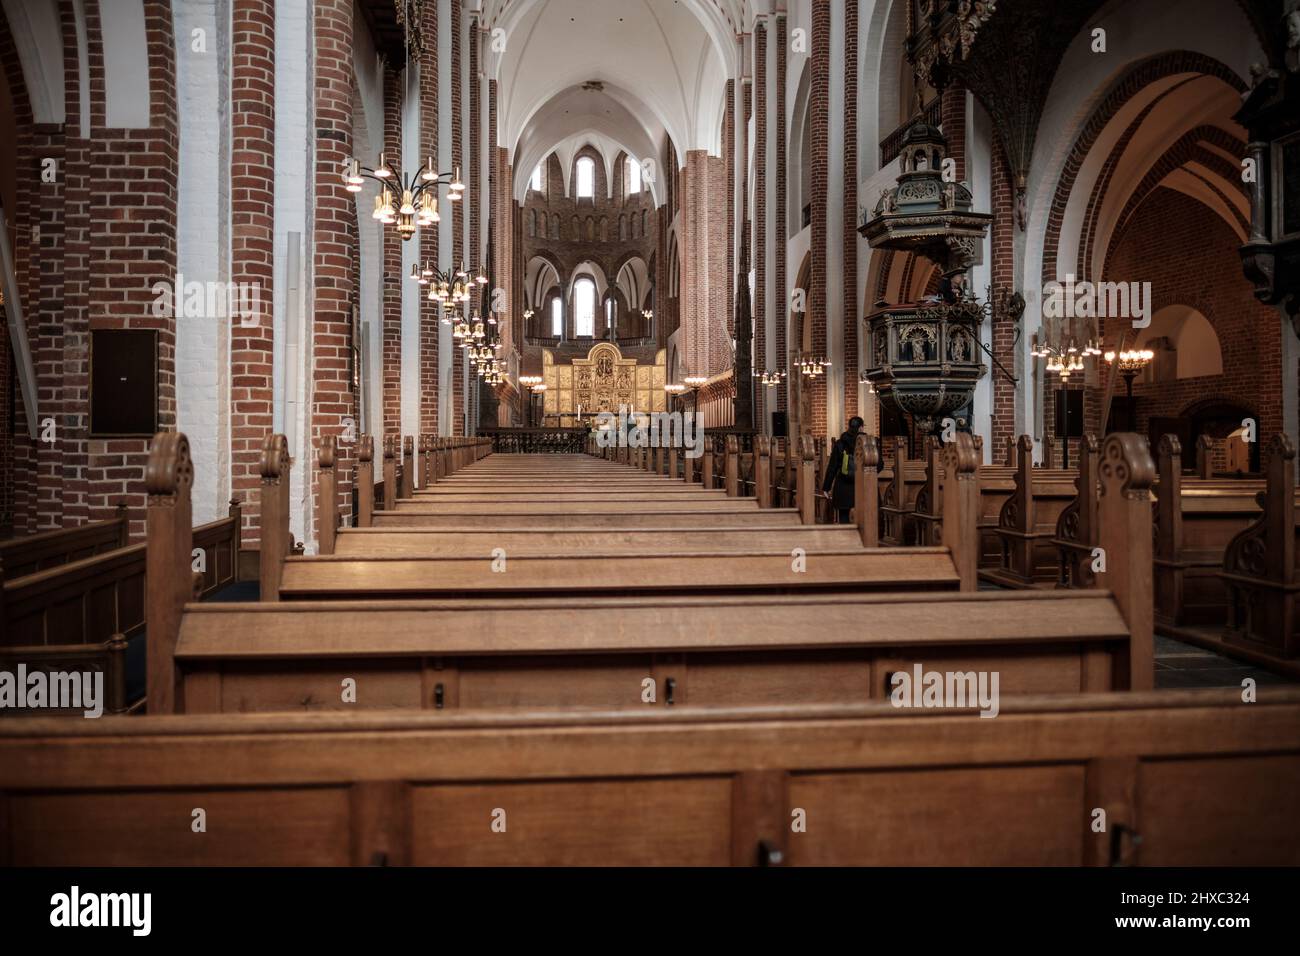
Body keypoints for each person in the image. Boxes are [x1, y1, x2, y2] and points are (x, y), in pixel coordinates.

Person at [822, 416, 866, 524]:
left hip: (844, 489)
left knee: (845, 521)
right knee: (865, 521)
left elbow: (833, 467)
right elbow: (879, 465)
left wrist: (826, 487)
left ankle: (846, 540)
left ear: (849, 427)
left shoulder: (840, 443)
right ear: (861, 428)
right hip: (864, 488)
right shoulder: (869, 443)